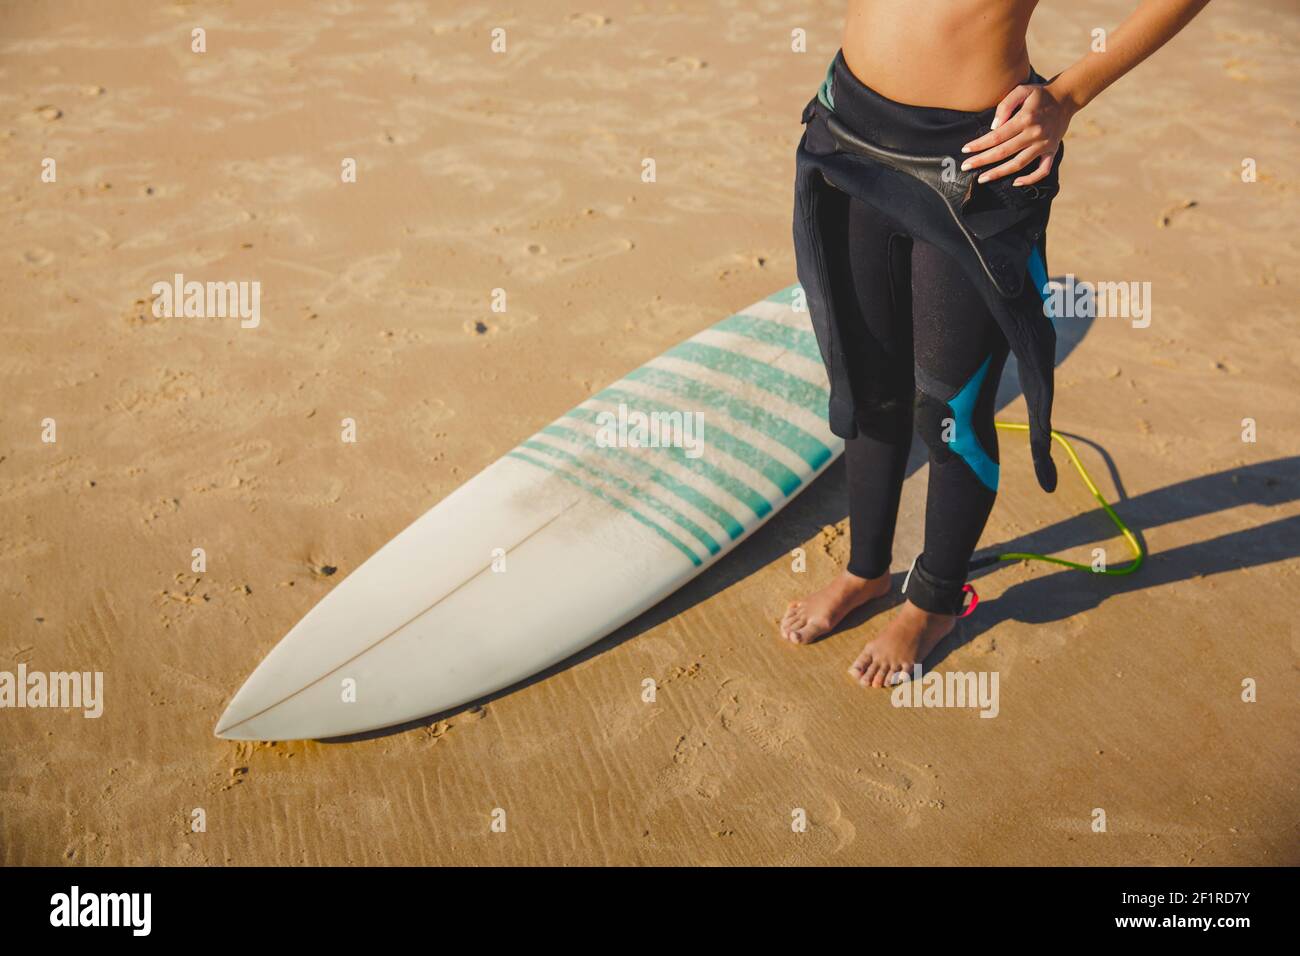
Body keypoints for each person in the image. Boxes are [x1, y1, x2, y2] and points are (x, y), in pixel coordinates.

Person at [780, 0, 1210, 687]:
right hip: (849, 131)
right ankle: (865, 570)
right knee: (868, 380)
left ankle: (934, 602)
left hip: (975, 162)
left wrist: (1069, 95)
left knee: (947, 409)